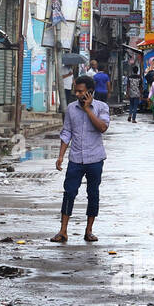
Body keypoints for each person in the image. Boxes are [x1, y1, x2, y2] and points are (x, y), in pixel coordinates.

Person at [51, 75, 110, 244]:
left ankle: (89, 231)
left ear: (90, 92)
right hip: (75, 158)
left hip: (95, 158)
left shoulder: (102, 107)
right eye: (76, 91)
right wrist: (61, 155)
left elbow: (102, 128)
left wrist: (88, 110)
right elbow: (66, 132)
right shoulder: (70, 109)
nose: (77, 94)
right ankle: (63, 231)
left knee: (93, 194)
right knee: (69, 193)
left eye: (80, 91)